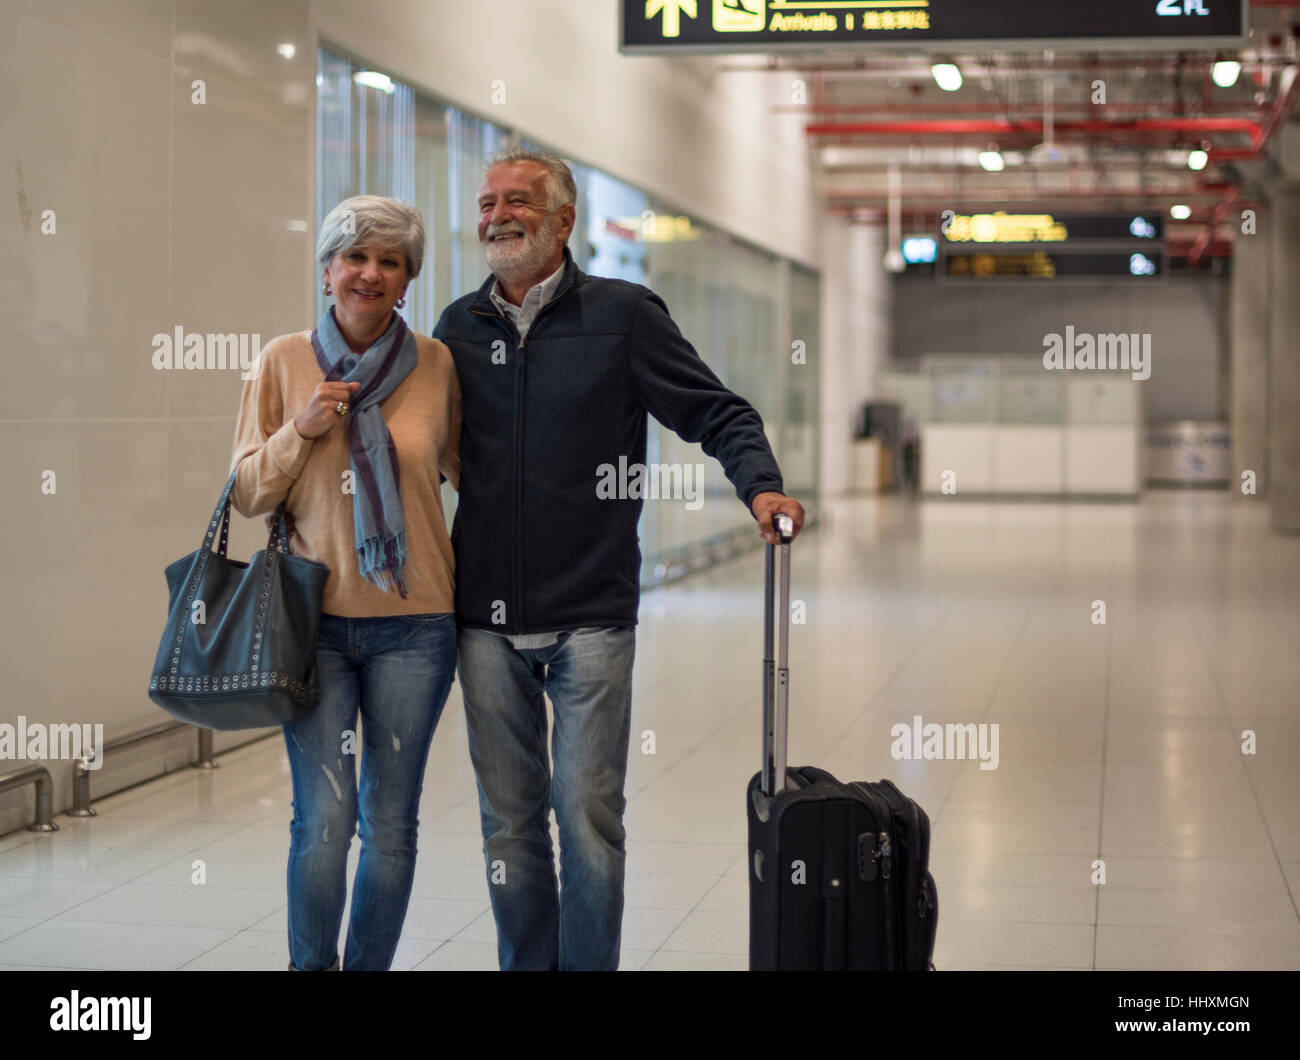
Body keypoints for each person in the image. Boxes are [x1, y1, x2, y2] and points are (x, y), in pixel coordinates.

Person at [433, 148, 805, 970]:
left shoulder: (623, 315)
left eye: (519, 201)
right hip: (484, 617)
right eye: (489, 201)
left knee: (589, 818)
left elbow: (717, 411)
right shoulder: (458, 327)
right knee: (509, 825)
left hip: (592, 612)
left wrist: (762, 487)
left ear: (564, 221)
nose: (498, 214)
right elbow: (421, 449)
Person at [229, 195, 461, 971]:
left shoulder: (435, 363)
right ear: (327, 268)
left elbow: (471, 475)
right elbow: (247, 493)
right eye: (355, 257)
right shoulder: (283, 361)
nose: (370, 273)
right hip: (315, 624)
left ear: (407, 281)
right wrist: (301, 431)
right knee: (323, 821)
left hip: (418, 624)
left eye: (390, 262)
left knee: (390, 824)